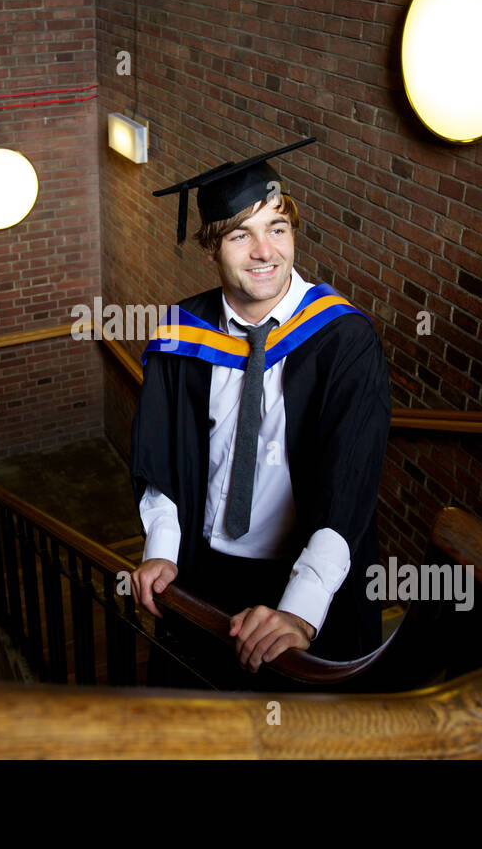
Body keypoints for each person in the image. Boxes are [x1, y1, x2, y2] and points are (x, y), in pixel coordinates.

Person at [128, 136, 390, 682]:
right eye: (240, 235)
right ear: (210, 249)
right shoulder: (182, 335)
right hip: (203, 572)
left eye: (277, 228)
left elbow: (350, 482)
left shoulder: (343, 340)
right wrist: (162, 550)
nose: (264, 252)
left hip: (307, 576)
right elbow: (161, 457)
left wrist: (301, 607)